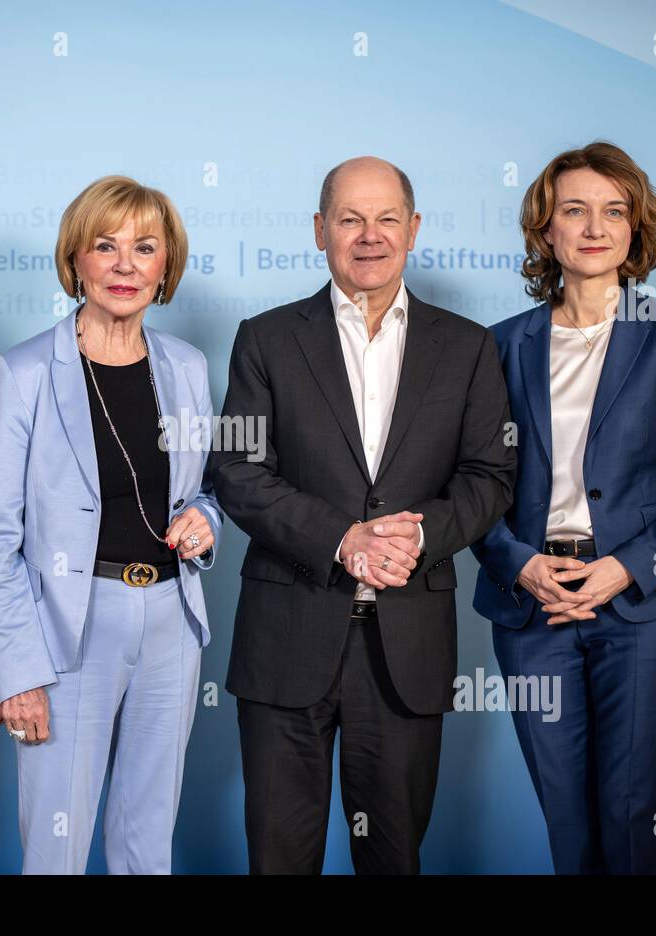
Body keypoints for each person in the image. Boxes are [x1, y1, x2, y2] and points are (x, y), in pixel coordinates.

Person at [207, 156, 515, 874]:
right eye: (349, 218)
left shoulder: (467, 347)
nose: (368, 236)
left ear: (412, 230)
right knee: (280, 860)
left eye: (385, 219)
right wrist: (343, 539)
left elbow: (490, 475)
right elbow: (237, 470)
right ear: (320, 230)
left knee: (393, 858)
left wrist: (418, 536)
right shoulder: (267, 338)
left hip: (406, 647)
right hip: (287, 641)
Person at [470, 141, 656, 874]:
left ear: (635, 228)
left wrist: (626, 568)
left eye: (613, 210)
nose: (595, 227)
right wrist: (520, 565)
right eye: (575, 210)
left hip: (644, 612)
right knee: (569, 831)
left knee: (636, 826)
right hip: (534, 616)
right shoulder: (497, 347)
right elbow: (470, 488)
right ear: (546, 230)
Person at [0, 175, 221, 874]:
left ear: (165, 266)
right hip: (67, 631)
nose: (124, 264)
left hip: (173, 618)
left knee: (148, 842)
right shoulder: (19, 373)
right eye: (104, 245)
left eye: (145, 247)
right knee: (56, 848)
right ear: (75, 259)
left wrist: (205, 519)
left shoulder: (188, 367)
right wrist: (18, 668)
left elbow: (203, 491)